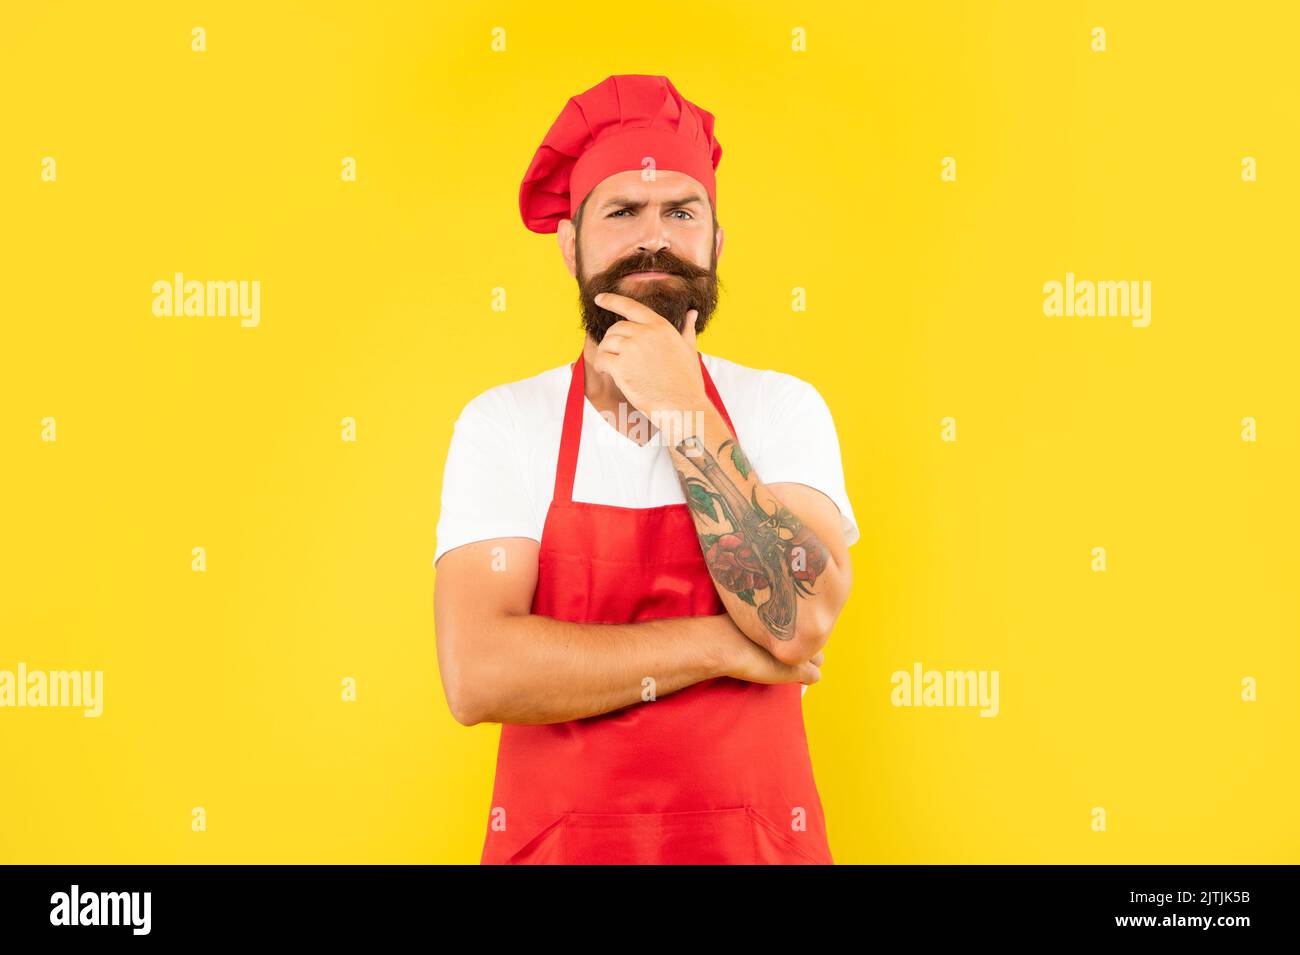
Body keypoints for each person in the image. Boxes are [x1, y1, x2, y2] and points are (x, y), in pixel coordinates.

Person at [434, 74, 859, 864]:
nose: (652, 240)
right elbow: (478, 673)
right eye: (623, 211)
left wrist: (683, 410)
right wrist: (722, 646)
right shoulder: (503, 423)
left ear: (717, 241)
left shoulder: (782, 409)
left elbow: (798, 618)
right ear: (571, 245)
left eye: (680, 211)